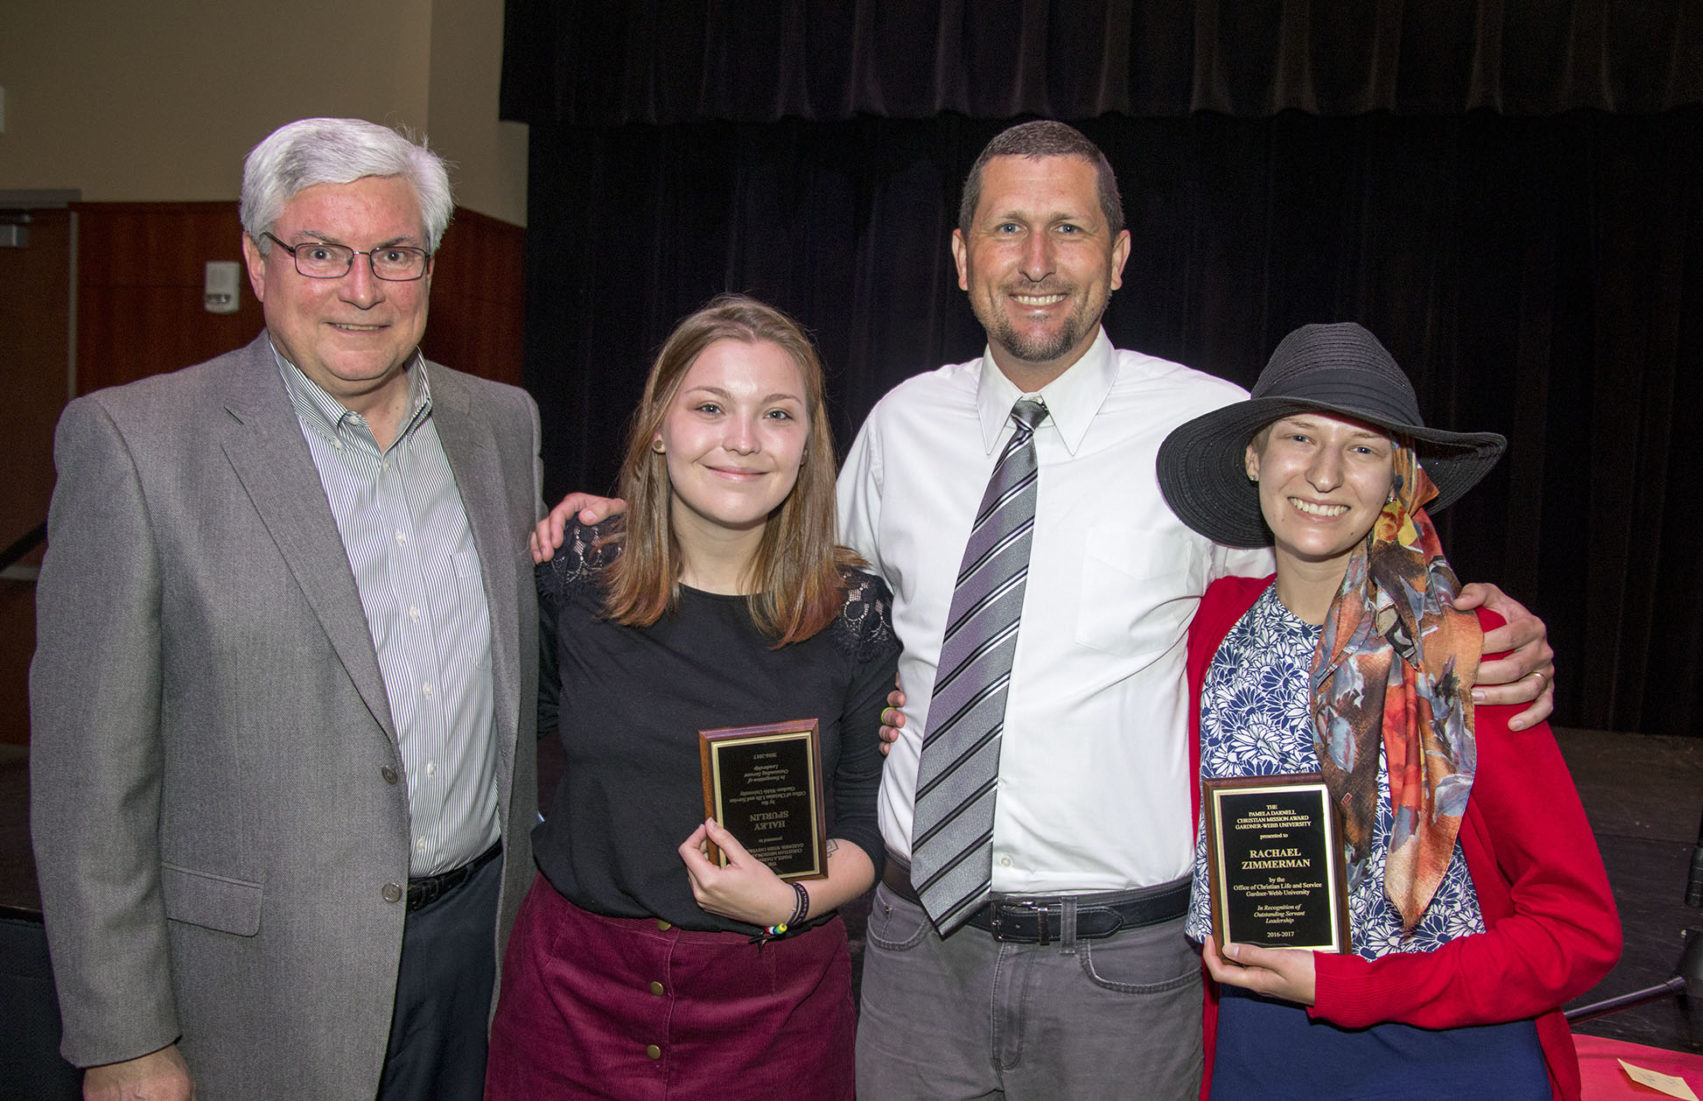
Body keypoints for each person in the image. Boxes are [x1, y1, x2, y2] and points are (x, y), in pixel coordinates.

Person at [533, 120, 1556, 1099]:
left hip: (1120, 969)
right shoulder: (901, 426)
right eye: (1006, 228)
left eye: (1067, 228)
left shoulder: (1204, 430)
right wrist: (642, 507)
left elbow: (1340, 539)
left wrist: (1464, 614)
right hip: (912, 949)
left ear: (1115, 257)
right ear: (961, 255)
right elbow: (785, 562)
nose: (1035, 258)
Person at [30, 118, 544, 1101]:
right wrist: (124, 1039)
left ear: (430, 262)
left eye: (393, 252)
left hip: (474, 955)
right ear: (258, 262)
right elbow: (89, 785)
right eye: (320, 251)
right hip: (257, 990)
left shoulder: (501, 426)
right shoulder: (136, 446)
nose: (362, 289)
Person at [1158, 322, 1619, 1100]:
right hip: (1259, 1057)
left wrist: (1358, 984)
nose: (1327, 474)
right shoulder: (1206, 631)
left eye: (1364, 448)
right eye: (1299, 436)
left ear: (1400, 476)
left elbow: (1579, 929)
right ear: (1254, 456)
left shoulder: (1462, 651)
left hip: (1450, 1062)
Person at [484, 296, 898, 1100]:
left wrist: (789, 900)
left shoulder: (852, 613)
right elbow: (508, 735)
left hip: (774, 1007)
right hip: (574, 995)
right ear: (660, 426)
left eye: (776, 413)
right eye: (710, 407)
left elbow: (863, 826)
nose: (741, 440)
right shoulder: (574, 577)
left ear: (808, 442)